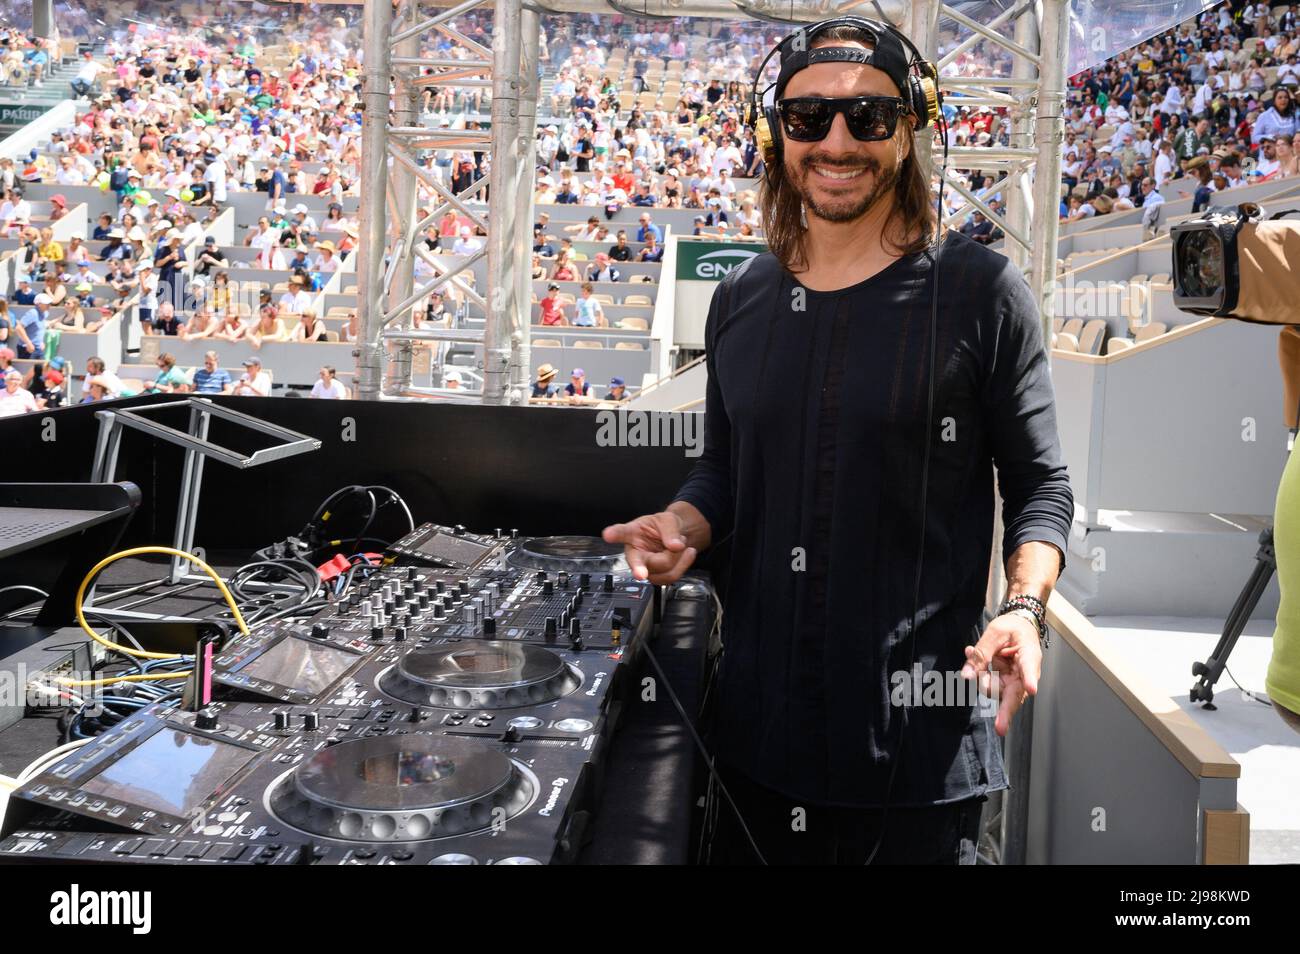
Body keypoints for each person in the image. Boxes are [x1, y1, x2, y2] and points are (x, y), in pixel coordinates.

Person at [602, 19, 1072, 866]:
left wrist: (1024, 608)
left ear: (912, 127)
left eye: (871, 117)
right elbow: (724, 474)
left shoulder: (985, 293)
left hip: (918, 768)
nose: (838, 141)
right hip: (754, 751)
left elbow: (1042, 488)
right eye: (808, 118)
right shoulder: (741, 298)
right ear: (776, 134)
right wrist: (679, 525)